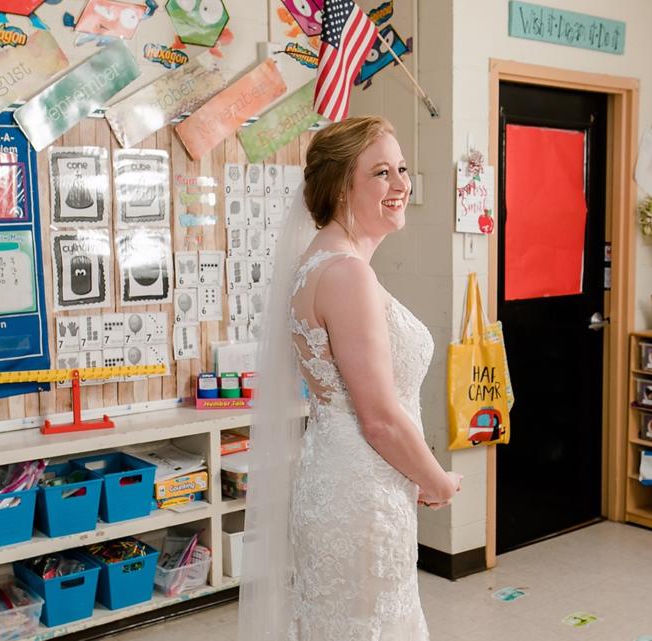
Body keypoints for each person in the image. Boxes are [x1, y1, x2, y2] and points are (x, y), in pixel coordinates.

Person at [239, 117, 461, 641]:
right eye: (382, 173)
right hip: (361, 496)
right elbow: (380, 418)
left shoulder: (318, 262)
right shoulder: (346, 274)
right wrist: (436, 480)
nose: (402, 185)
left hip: (349, 481)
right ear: (342, 186)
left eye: (402, 169)